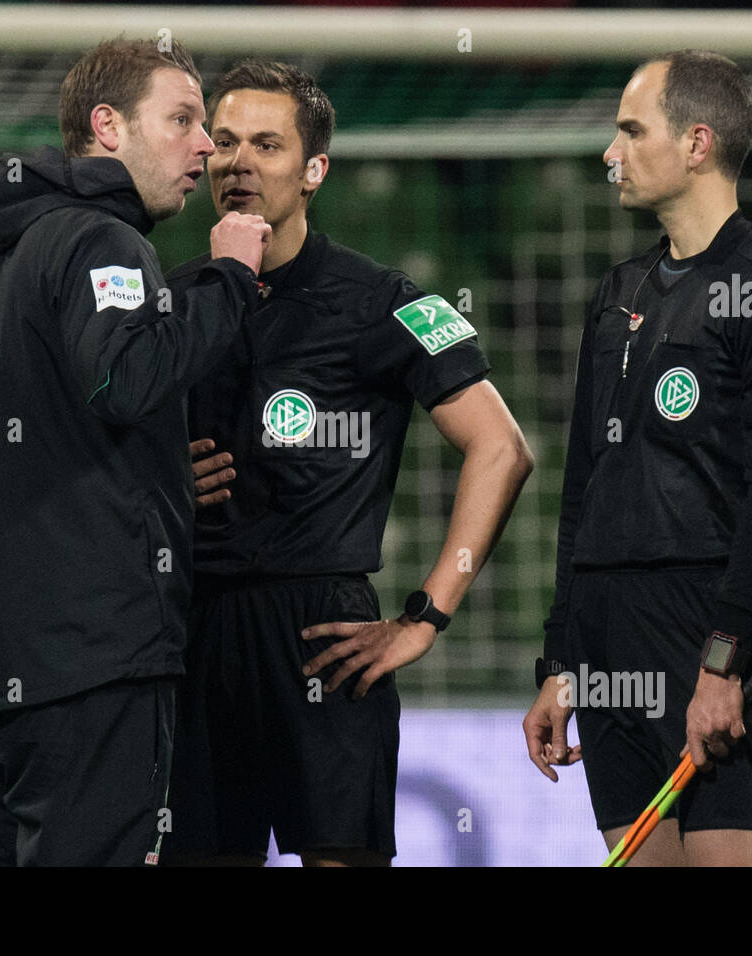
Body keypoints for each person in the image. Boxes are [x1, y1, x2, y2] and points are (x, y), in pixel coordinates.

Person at [165, 61, 533, 866]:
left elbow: (501, 447)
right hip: (187, 627)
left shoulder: (385, 301)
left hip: (324, 634)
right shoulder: (170, 300)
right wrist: (156, 487)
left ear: (314, 170)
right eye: (223, 142)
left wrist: (427, 615)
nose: (239, 163)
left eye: (267, 144)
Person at [0, 38, 269, 866]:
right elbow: (124, 377)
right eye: (183, 119)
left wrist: (148, 479)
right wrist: (228, 277)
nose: (205, 145)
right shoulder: (101, 240)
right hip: (88, 662)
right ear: (107, 126)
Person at [522, 50, 752, 866]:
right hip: (604, 637)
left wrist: (724, 663)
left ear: (697, 143)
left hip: (703, 635)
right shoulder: (616, 291)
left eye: (630, 130)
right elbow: (583, 487)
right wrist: (560, 660)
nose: (610, 152)